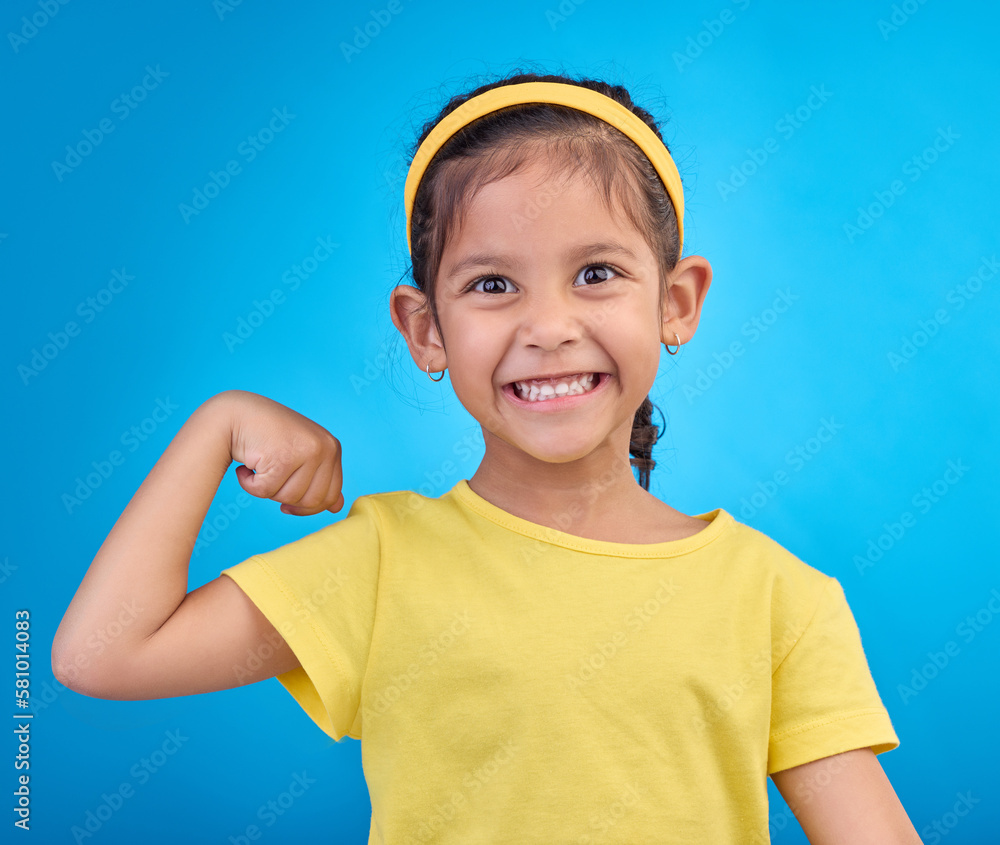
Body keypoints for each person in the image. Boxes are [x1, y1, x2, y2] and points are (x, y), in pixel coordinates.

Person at [52, 71, 923, 843]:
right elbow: (101, 654)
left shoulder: (779, 599)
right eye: (492, 284)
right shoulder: (382, 562)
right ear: (425, 329)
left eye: (595, 273)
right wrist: (217, 423)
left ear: (678, 301)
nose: (547, 327)